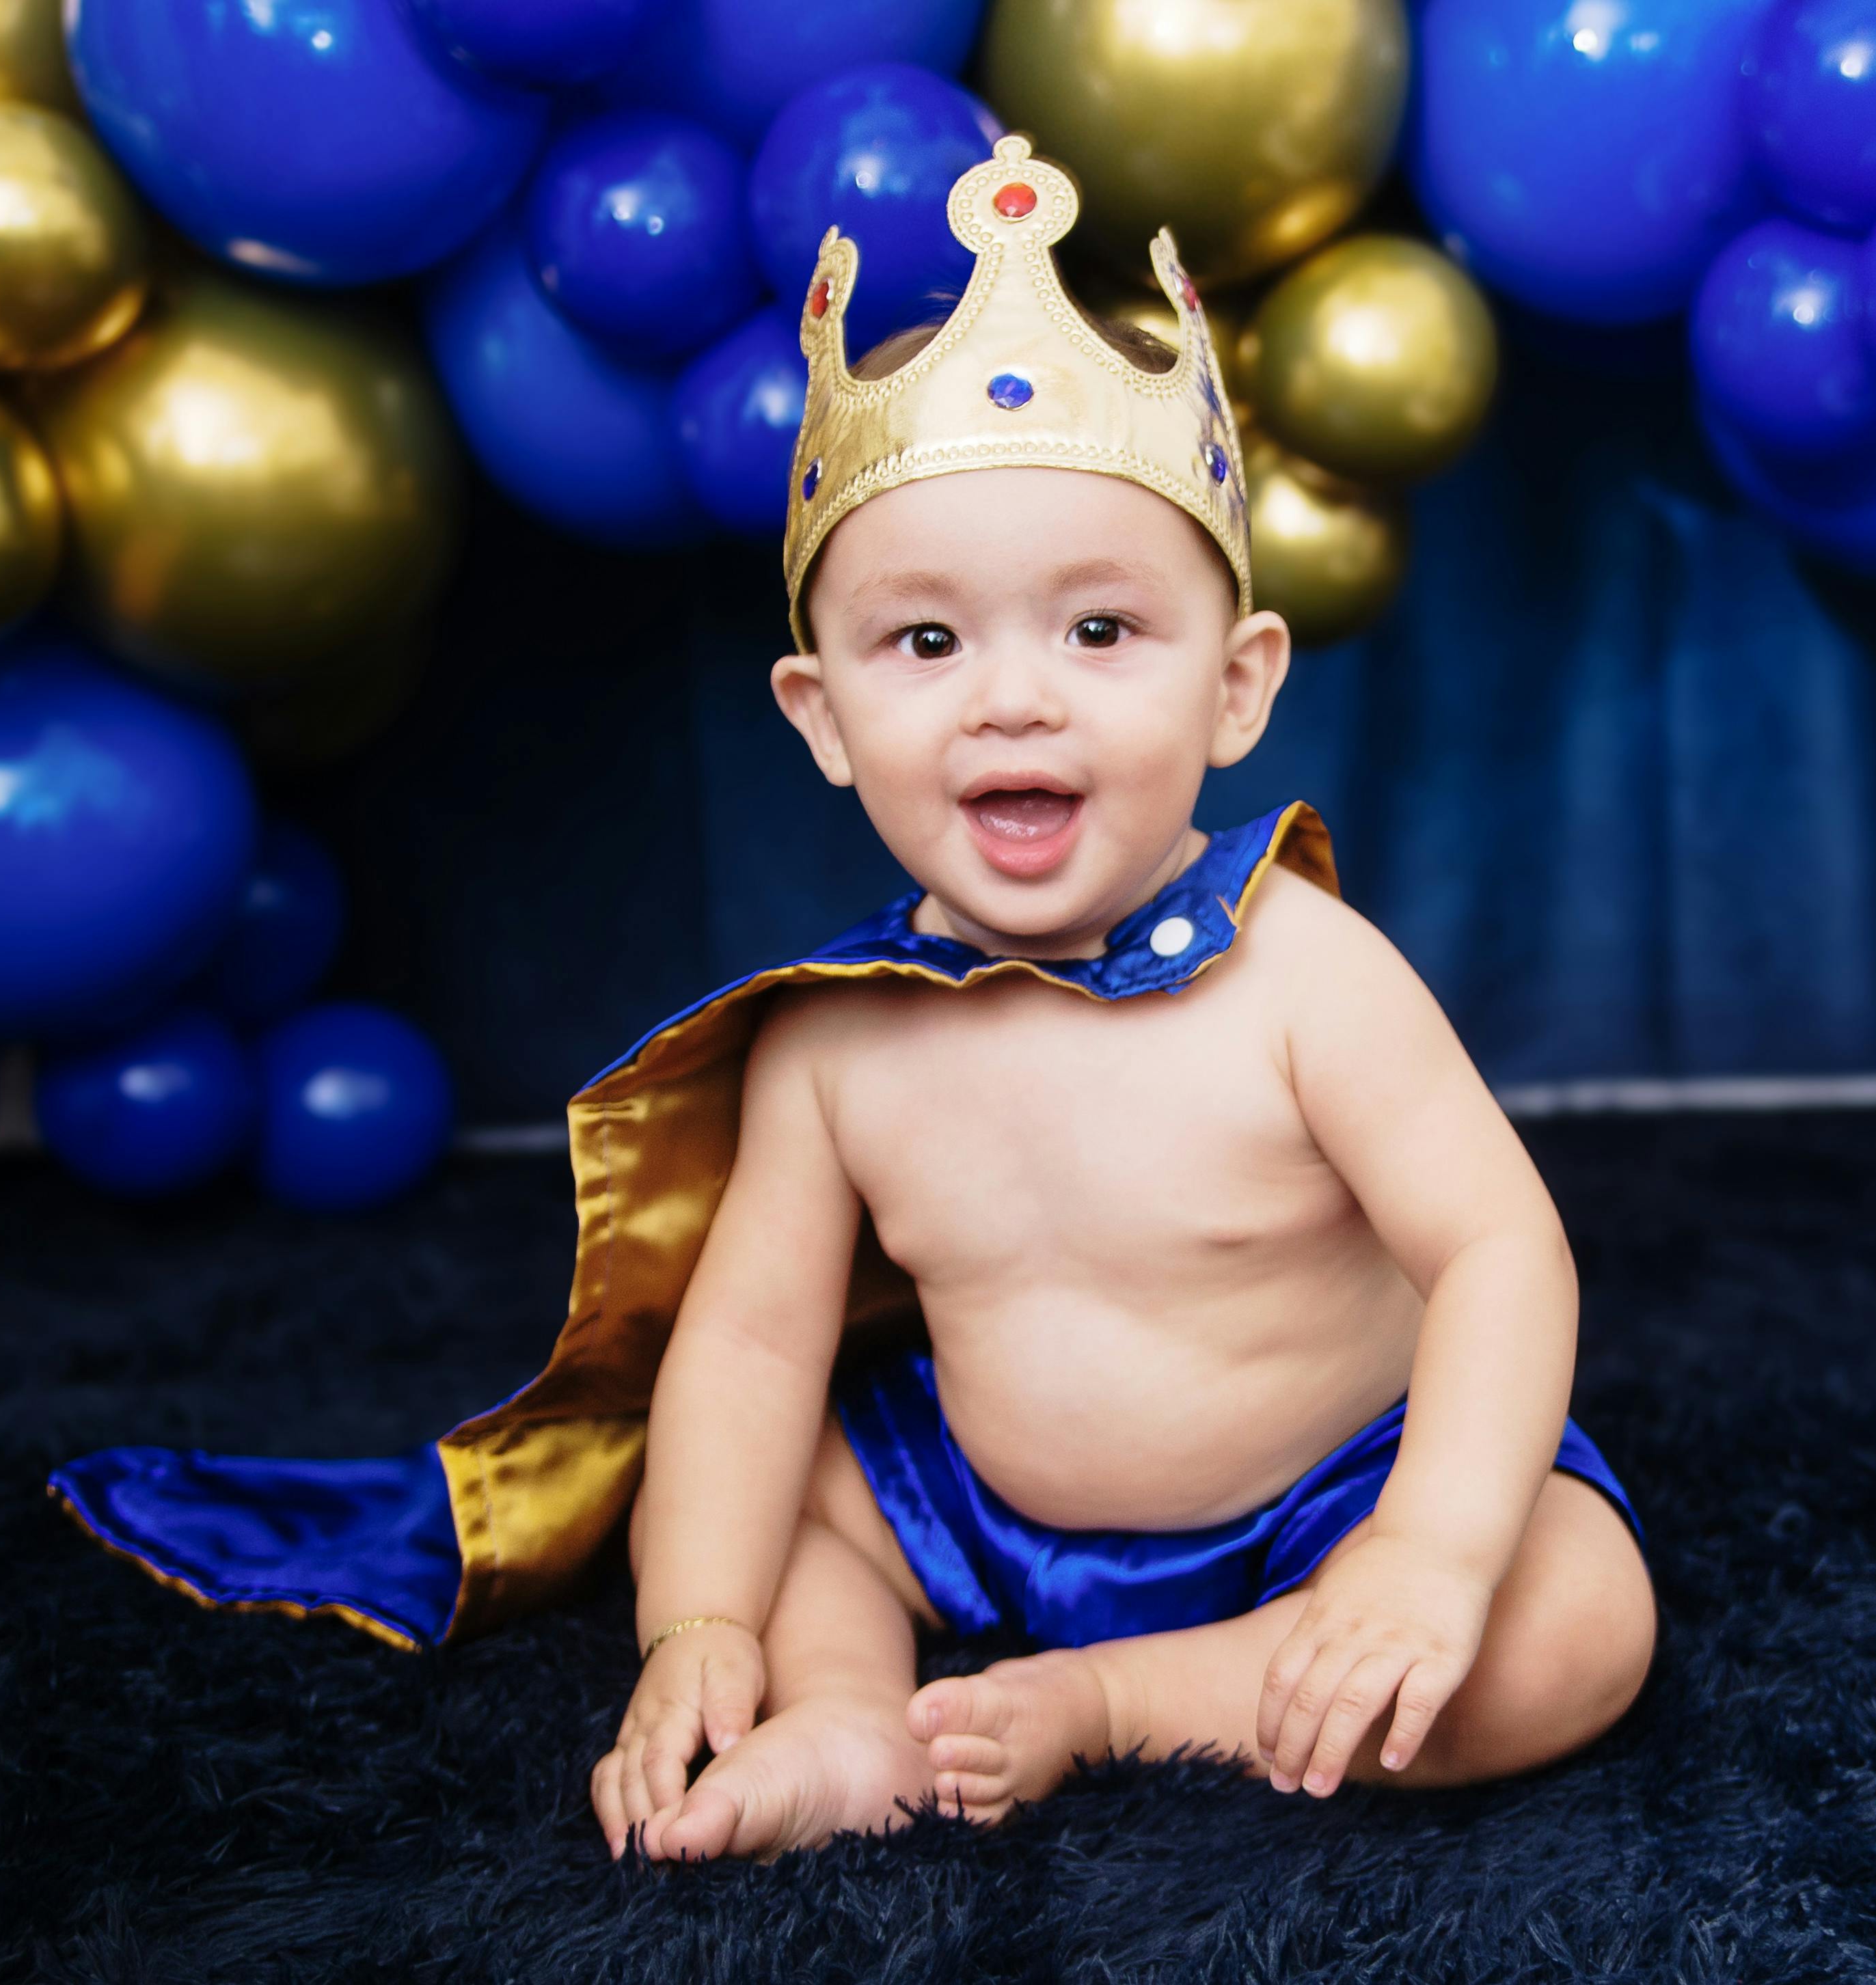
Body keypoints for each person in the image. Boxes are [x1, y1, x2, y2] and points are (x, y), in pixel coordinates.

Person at [571, 137, 1655, 1860]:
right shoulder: (838, 1038)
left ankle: (1132, 1700)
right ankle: (850, 1719)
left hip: (1330, 1505)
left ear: (1235, 690)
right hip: (980, 1510)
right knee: (780, 1500)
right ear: (822, 713)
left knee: (1575, 1623)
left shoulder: (1304, 969)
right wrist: (693, 1619)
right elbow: (755, 1340)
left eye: (1099, 632)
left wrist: (1433, 1546)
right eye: (925, 644)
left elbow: (1498, 1251)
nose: (1013, 702)